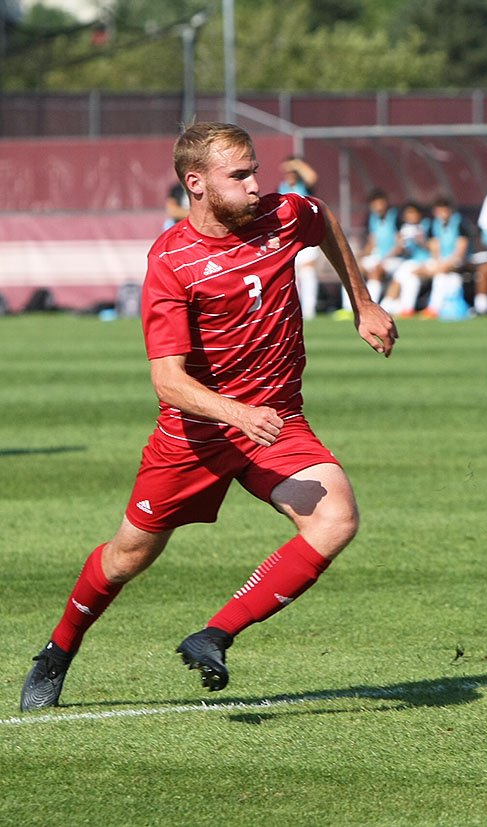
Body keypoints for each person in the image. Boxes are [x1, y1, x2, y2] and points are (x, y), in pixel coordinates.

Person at [19, 122, 398, 711]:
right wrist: (234, 412)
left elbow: (323, 221)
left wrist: (363, 303)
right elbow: (167, 380)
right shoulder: (171, 261)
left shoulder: (284, 216)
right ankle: (57, 651)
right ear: (196, 184)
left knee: (336, 518)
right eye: (240, 176)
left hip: (274, 423)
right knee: (129, 556)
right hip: (193, 436)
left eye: (255, 171)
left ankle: (214, 634)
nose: (256, 186)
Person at [278, 156, 323, 319]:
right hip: (290, 238)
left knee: (308, 270)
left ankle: (309, 309)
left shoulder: (304, 186)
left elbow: (312, 177)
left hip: (307, 235)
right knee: (292, 274)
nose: (289, 174)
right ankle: (294, 309)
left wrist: (297, 164)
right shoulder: (281, 187)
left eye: (292, 171)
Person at [354, 188, 402, 306]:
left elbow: (400, 245)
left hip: (395, 258)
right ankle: (350, 307)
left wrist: (385, 259)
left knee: (376, 271)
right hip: (378, 257)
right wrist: (359, 255)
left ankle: (371, 306)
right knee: (352, 269)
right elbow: (372, 243)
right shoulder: (372, 219)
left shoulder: (396, 217)